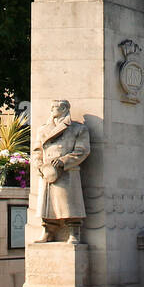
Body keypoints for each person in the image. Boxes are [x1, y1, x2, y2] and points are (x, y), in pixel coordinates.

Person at [32, 99, 90, 243]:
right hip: (48, 172)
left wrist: (63, 161)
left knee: (70, 205)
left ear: (64, 109)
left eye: (55, 107)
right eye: (51, 106)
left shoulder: (78, 128)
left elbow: (82, 151)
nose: (52, 109)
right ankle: (48, 231)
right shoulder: (43, 129)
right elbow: (36, 151)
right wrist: (39, 166)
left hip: (67, 171)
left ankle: (74, 232)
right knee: (47, 206)